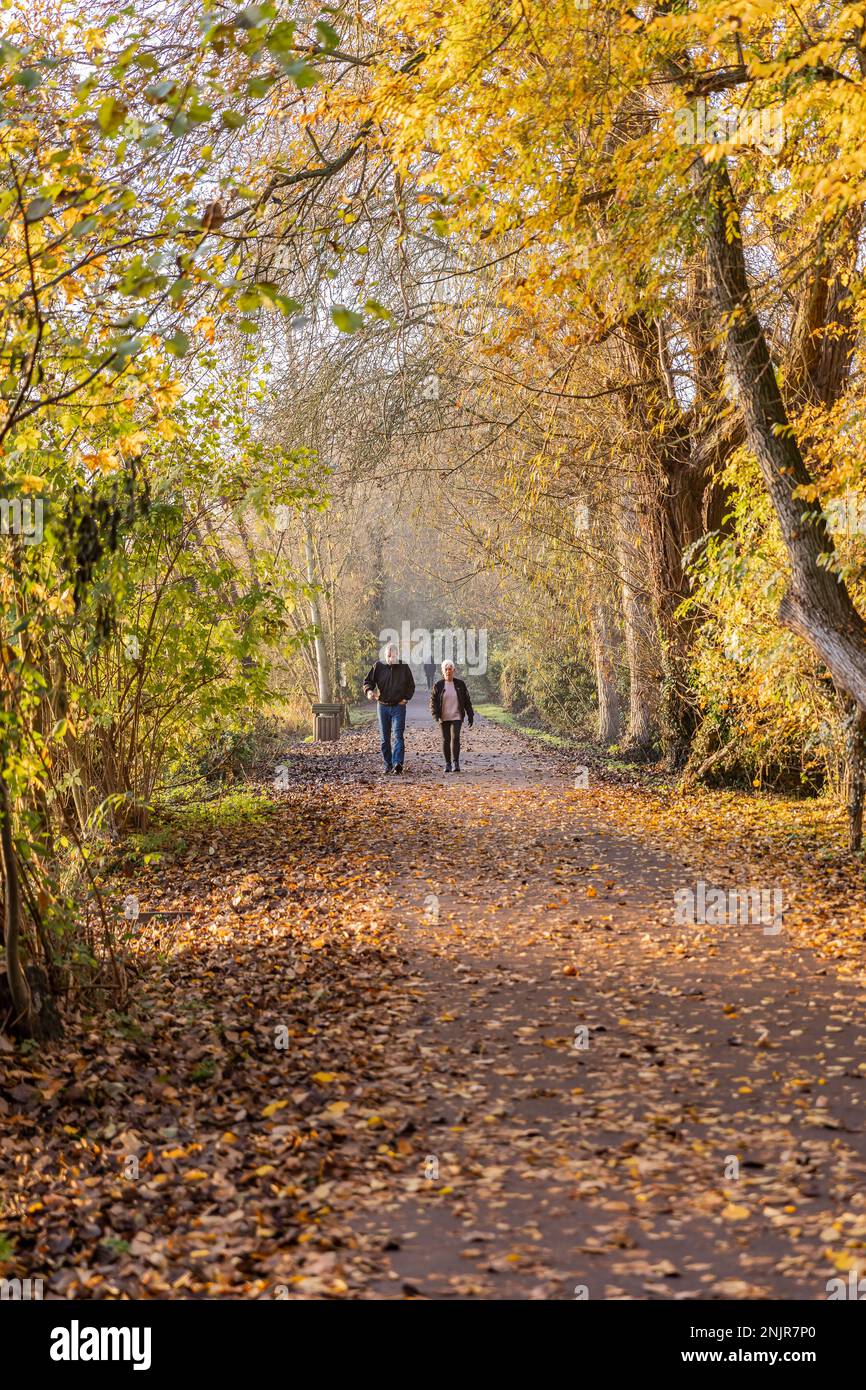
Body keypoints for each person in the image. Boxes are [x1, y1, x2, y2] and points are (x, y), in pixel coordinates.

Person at [363, 643, 415, 774]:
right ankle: (388, 764)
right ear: (385, 655)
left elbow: (411, 685)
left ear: (397, 655)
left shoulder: (404, 667)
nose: (391, 658)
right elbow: (368, 682)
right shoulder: (378, 666)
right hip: (383, 706)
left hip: (398, 706)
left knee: (398, 735)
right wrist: (369, 691)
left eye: (393, 656)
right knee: (385, 738)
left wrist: (406, 698)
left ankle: (397, 763)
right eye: (388, 656)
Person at [430, 659, 474, 773]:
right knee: (446, 739)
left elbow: (466, 701)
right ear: (442, 671)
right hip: (443, 717)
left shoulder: (460, 684)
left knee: (456, 738)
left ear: (453, 670)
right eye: (446, 669)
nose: (448, 671)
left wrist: (470, 714)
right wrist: (436, 715)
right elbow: (433, 701)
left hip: (456, 716)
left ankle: (456, 763)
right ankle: (448, 764)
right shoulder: (438, 685)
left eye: (450, 669)